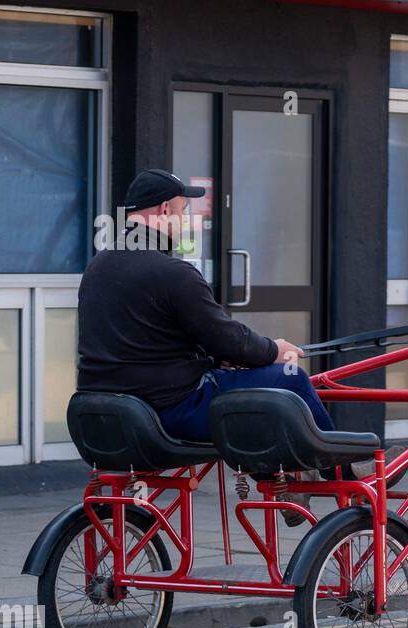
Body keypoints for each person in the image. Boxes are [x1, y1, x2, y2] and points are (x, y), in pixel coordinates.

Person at [77, 169, 336, 521]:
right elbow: (229, 339)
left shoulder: (98, 267)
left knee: (246, 386)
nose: (186, 222)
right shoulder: (172, 272)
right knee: (289, 378)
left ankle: (280, 476)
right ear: (165, 210)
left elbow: (150, 339)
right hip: (170, 413)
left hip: (106, 412)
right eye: (184, 212)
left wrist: (216, 358)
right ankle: (341, 473)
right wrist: (275, 349)